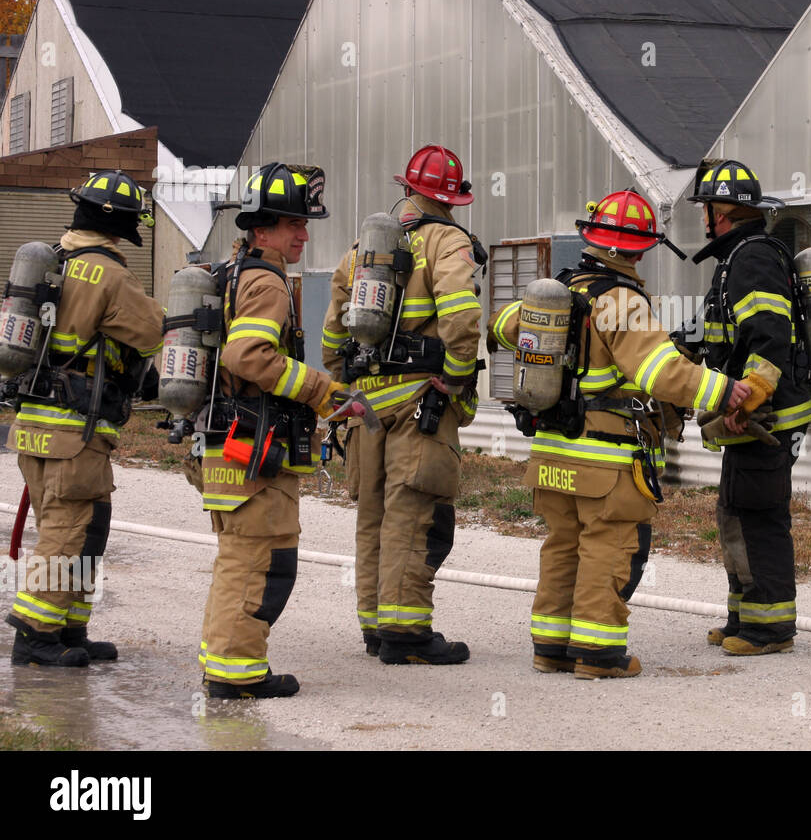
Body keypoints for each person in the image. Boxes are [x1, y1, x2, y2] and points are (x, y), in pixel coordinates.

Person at [490, 190, 751, 679]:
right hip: (602, 456)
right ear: (640, 249)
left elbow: (502, 326)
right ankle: (598, 654)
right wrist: (724, 389)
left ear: (592, 238)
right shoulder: (620, 302)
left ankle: (551, 646)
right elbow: (661, 373)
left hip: (550, 450)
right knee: (605, 547)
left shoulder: (560, 289)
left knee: (562, 545)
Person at [321, 144, 481, 665]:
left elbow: (333, 336)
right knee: (411, 514)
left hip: (369, 406)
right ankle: (405, 634)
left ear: (406, 191)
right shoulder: (448, 241)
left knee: (372, 514)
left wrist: (349, 389)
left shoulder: (362, 250)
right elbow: (460, 318)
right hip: (421, 402)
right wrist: (454, 381)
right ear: (452, 200)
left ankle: (374, 626)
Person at [6, 171, 164, 666]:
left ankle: (69, 627)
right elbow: (156, 332)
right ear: (118, 224)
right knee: (70, 529)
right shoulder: (109, 273)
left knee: (84, 526)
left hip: (34, 424)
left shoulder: (53, 262)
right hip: (75, 429)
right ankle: (34, 636)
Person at [198, 162, 343, 697]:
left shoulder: (237, 271)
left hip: (231, 442)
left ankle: (228, 664)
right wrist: (321, 391)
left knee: (246, 557)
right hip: (250, 445)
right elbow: (246, 354)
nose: (303, 235)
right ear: (261, 231)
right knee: (258, 560)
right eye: (292, 226)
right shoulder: (268, 283)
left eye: (305, 225)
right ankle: (235, 675)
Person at [687, 160, 811, 656]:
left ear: (721, 212)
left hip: (764, 418)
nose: (706, 217)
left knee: (760, 515)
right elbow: (712, 334)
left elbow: (768, 333)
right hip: (746, 416)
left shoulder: (753, 258)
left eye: (708, 207)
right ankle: (745, 616)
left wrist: (751, 396)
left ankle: (770, 627)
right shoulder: (738, 257)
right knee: (735, 512)